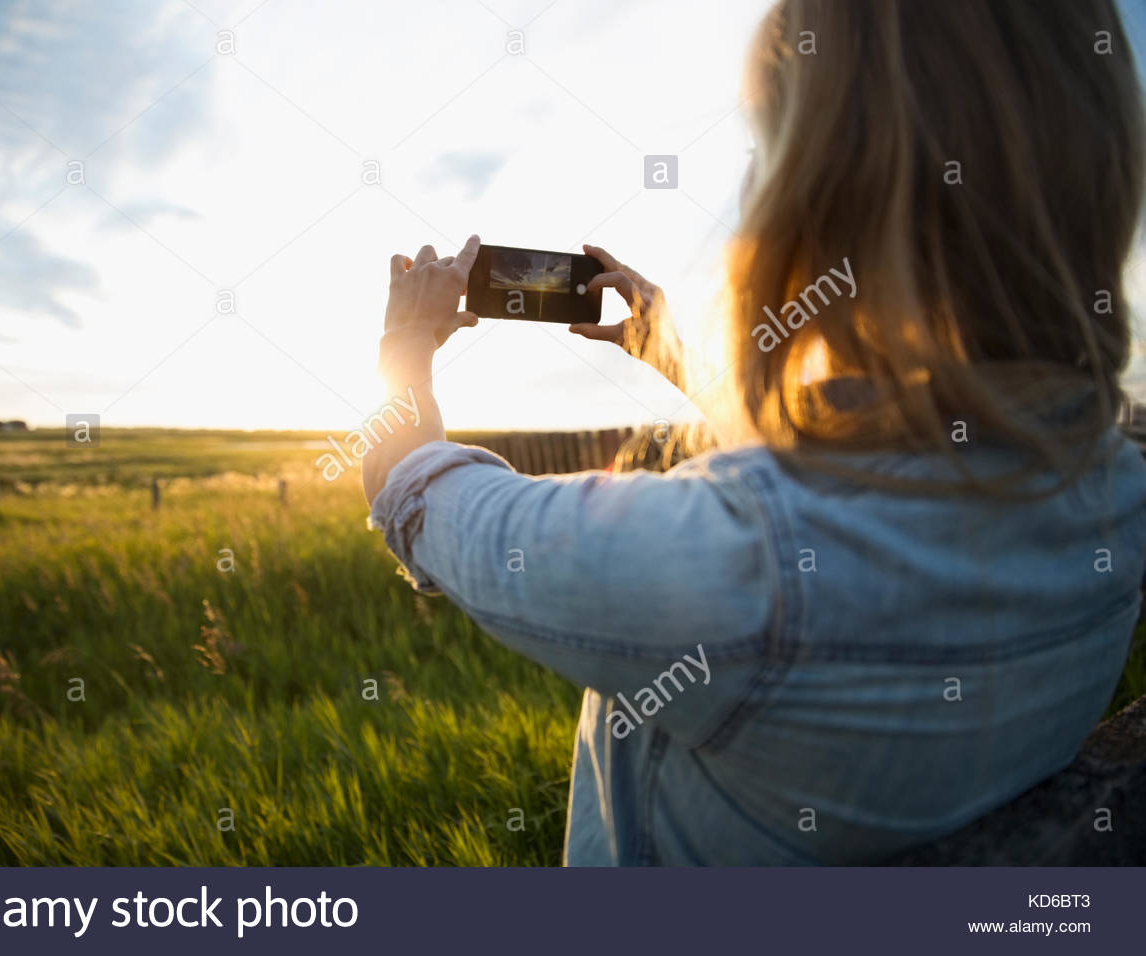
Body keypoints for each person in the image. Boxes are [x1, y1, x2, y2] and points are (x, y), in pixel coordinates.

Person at [363, 0, 1146, 865]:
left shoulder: (739, 565)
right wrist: (670, 348)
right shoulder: (1116, 490)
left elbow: (418, 493)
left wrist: (404, 349)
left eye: (768, 150)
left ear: (814, 197)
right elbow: (848, 478)